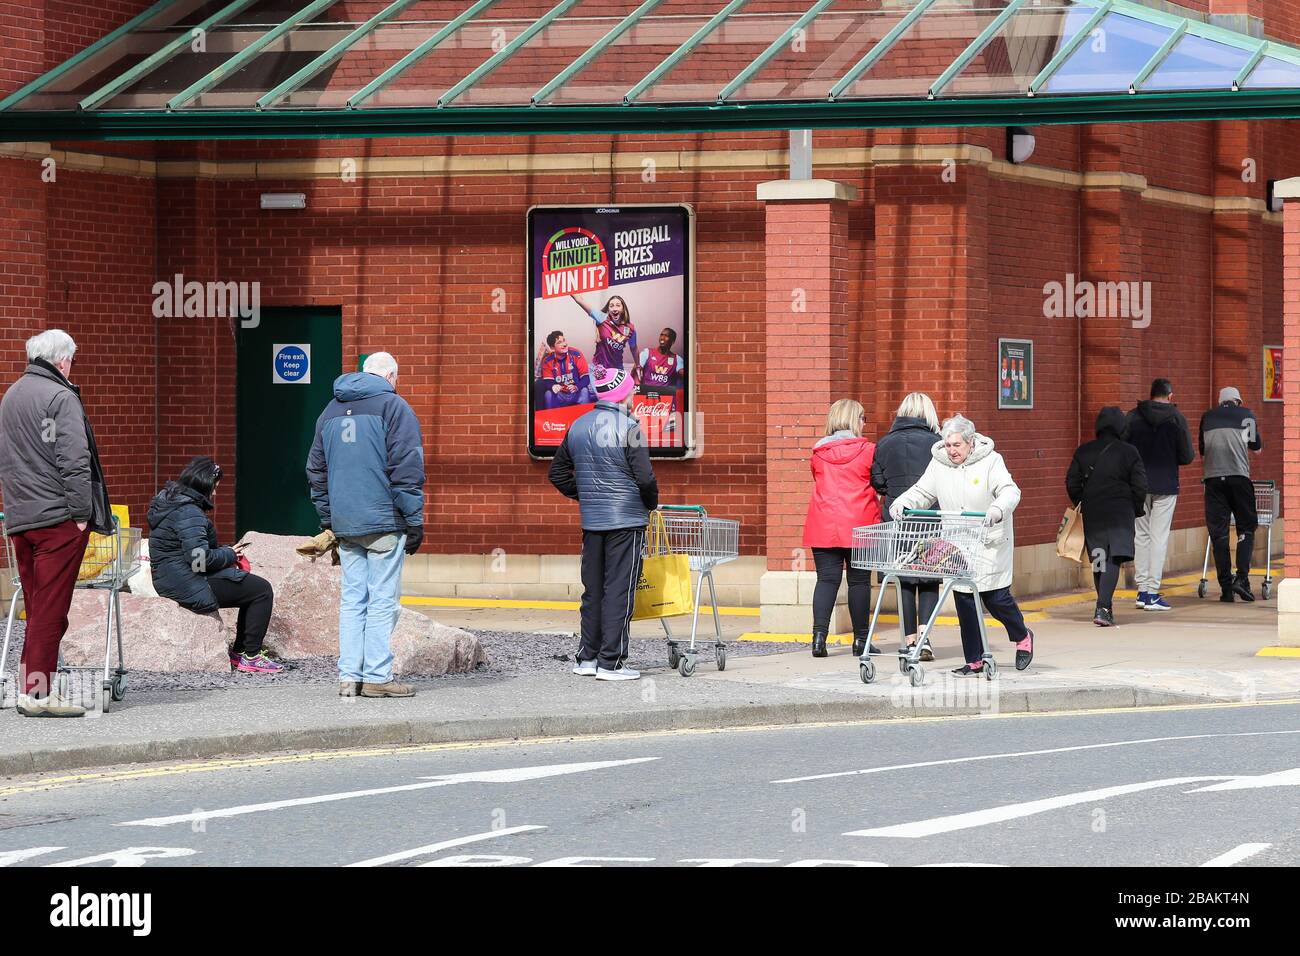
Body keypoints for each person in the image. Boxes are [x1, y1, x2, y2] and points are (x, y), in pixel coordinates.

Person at [0, 329, 112, 717]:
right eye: (72, 359)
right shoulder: (60, 396)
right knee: (50, 608)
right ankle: (37, 694)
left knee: (36, 604)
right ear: (62, 360)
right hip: (57, 520)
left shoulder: (11, 395)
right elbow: (75, 461)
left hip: (21, 518)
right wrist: (81, 515)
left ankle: (29, 685)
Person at [307, 351, 425, 697]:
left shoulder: (328, 410)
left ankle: (349, 677)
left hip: (345, 524)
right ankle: (377, 676)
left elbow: (315, 470)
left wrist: (328, 518)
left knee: (353, 599)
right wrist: (414, 519)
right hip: (384, 521)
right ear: (390, 377)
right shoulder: (394, 407)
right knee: (382, 600)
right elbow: (407, 467)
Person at [890, 415, 1034, 675]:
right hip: (958, 545)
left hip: (989, 540)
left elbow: (1010, 491)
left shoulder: (991, 461)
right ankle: (975, 660)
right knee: (965, 601)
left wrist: (997, 509)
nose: (952, 451)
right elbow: (923, 492)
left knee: (996, 598)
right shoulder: (939, 463)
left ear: (970, 442)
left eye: (957, 445)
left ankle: (1022, 636)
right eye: (948, 445)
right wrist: (902, 503)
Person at [549, 364, 658, 681]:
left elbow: (556, 474)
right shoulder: (630, 427)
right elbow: (645, 479)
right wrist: (649, 505)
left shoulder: (577, 426)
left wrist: (585, 494)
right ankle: (612, 663)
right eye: (632, 390)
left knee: (593, 590)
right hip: (626, 520)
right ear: (624, 393)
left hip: (592, 522)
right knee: (619, 590)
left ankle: (587, 658)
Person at [148, 457, 280, 673]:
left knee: (249, 587)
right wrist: (228, 554)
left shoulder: (171, 502)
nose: (216, 493)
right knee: (261, 590)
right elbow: (199, 560)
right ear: (205, 486)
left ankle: (241, 653)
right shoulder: (189, 511)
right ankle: (250, 655)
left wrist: (224, 554)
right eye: (215, 488)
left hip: (174, 578)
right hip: (188, 583)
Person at [802, 399, 882, 659]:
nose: (864, 423)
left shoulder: (818, 453)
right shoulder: (869, 450)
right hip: (859, 523)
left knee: (826, 581)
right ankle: (861, 640)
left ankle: (818, 638)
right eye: (862, 418)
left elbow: (818, 479)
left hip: (824, 523)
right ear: (854, 421)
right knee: (858, 582)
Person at [870, 392, 942, 661]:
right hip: (930, 519)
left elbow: (878, 482)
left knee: (905, 580)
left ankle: (910, 640)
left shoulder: (885, 443)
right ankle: (925, 638)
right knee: (929, 579)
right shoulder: (937, 444)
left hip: (897, 520)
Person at [1066, 408, 1150, 627]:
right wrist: (1135, 506)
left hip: (1093, 510)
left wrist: (1081, 502)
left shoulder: (1083, 451)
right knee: (1113, 557)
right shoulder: (1129, 452)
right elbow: (1140, 484)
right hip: (1120, 510)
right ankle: (1103, 607)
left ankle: (1104, 606)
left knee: (1099, 557)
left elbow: (1072, 482)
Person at [1126, 378, 1194, 611]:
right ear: (1170, 396)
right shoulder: (1177, 419)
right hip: (1165, 484)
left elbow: (1123, 449)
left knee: (1141, 536)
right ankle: (1152, 593)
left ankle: (1142, 590)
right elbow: (1187, 456)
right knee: (1159, 537)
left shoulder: (1133, 417)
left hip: (1138, 485)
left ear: (1150, 394)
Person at [1199, 386, 1264, 602]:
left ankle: (1226, 588)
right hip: (1239, 478)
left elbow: (1202, 450)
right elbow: (1257, 448)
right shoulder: (1247, 415)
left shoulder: (1207, 417)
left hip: (1213, 479)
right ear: (1238, 401)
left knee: (1219, 534)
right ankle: (1242, 579)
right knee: (1246, 527)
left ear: (1220, 401)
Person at [568, 293, 639, 381]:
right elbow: (580, 300)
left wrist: (638, 365)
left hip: (617, 370)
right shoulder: (601, 318)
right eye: (611, 306)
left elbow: (634, 348)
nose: (614, 309)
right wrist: (568, 287)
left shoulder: (630, 328)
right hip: (598, 368)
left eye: (618, 305)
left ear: (623, 309)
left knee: (617, 394)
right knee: (598, 394)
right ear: (608, 309)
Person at [637, 328, 686, 435]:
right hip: (647, 395)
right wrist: (637, 386)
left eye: (667, 336)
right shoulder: (647, 352)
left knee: (669, 432)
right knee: (641, 430)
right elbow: (637, 369)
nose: (663, 338)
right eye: (661, 335)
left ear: (672, 341)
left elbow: (684, 374)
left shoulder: (677, 359)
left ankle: (669, 431)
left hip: (665, 399)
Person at [537, 331, 592, 409]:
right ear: (552, 348)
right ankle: (550, 420)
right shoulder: (547, 361)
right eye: (559, 342)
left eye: (564, 340)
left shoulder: (576, 354)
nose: (564, 344)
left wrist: (577, 387)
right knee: (548, 394)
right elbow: (548, 381)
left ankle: (586, 419)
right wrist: (553, 386)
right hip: (560, 394)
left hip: (576, 392)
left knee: (584, 391)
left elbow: (586, 377)